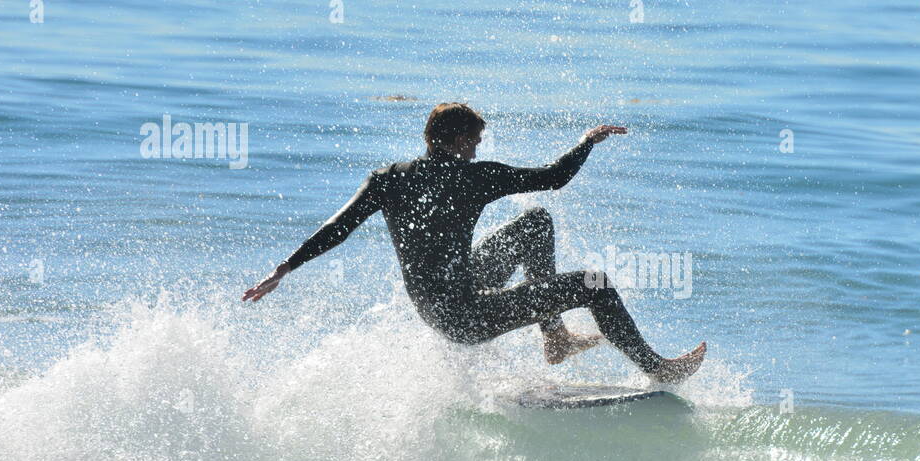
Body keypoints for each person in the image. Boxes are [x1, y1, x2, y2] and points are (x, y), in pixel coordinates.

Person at [242, 102, 706, 383]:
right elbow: (556, 176)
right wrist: (587, 141)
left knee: (535, 223)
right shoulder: (475, 178)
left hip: (438, 305)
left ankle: (556, 338)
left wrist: (284, 269)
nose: (480, 147)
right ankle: (656, 368)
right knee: (596, 284)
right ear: (460, 138)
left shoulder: (387, 179)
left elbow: (336, 229)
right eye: (476, 139)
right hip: (468, 315)